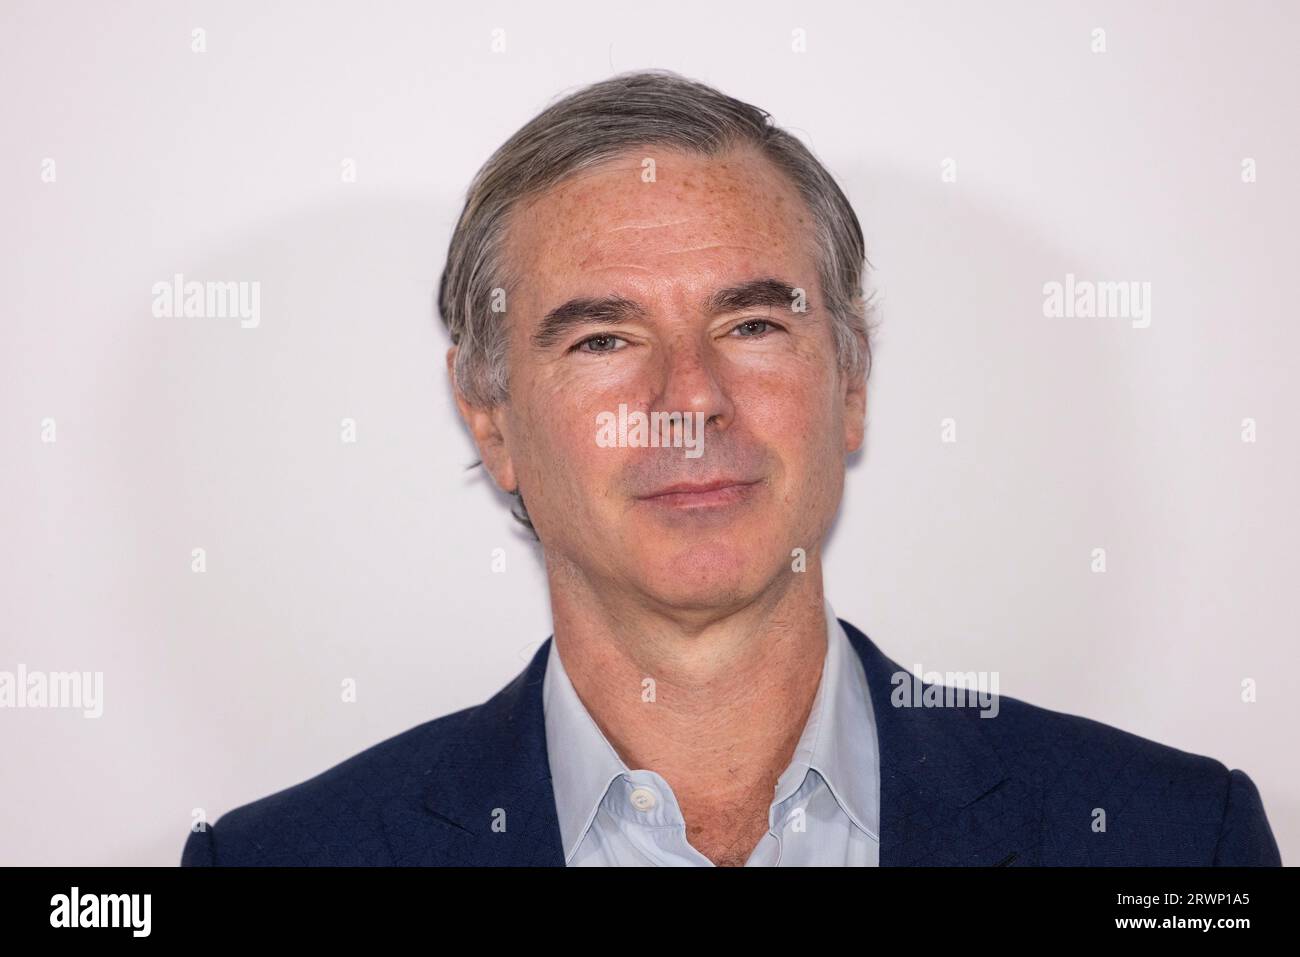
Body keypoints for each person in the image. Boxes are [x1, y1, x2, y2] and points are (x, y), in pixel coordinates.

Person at [181, 70, 1281, 867]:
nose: (690, 399)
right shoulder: (285, 862)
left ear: (848, 382)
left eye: (752, 324)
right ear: (492, 420)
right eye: (602, 340)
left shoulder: (1176, 844)